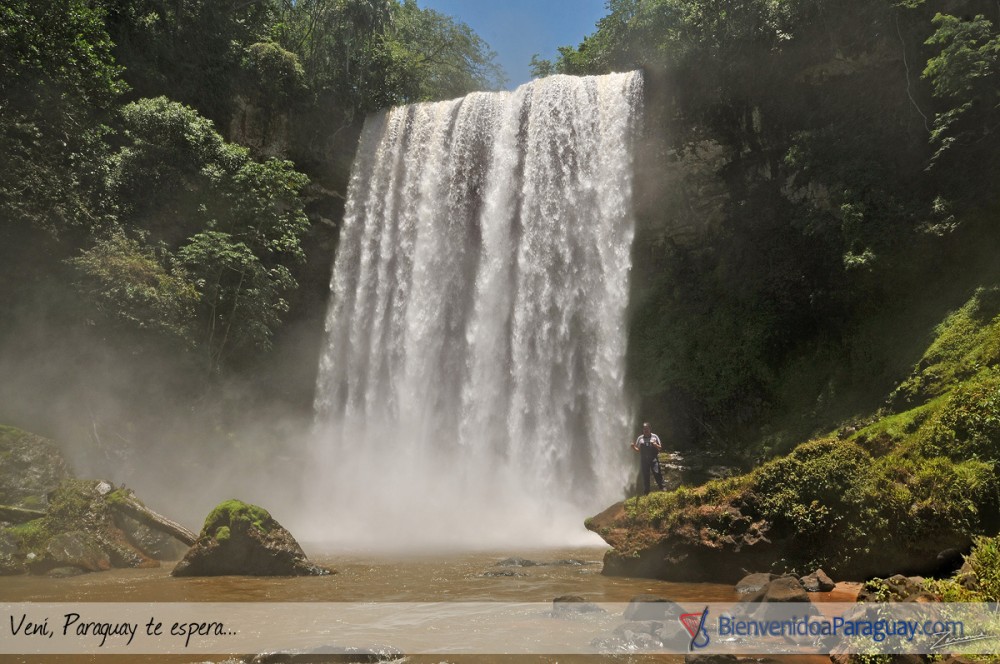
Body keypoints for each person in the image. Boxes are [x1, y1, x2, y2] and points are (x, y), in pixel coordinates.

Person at [631, 422, 665, 495]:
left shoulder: (655, 436)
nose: (646, 430)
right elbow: (638, 449)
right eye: (644, 429)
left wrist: (655, 444)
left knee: (657, 472)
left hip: (653, 459)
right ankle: (647, 492)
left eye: (647, 429)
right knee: (645, 475)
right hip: (644, 460)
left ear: (650, 429)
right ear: (642, 430)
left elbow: (660, 448)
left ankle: (662, 488)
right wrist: (633, 447)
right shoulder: (640, 438)